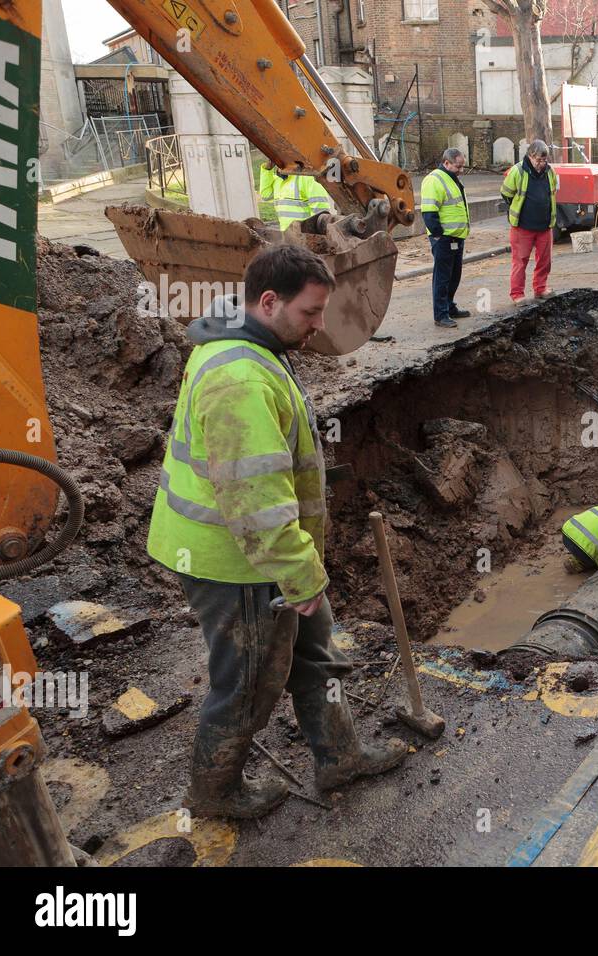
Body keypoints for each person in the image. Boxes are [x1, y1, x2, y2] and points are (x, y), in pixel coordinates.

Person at [147, 245, 407, 819]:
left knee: (317, 657)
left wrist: (303, 569)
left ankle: (340, 756)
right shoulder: (238, 376)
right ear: (269, 301)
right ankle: (215, 793)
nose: (318, 327)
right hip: (237, 563)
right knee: (246, 685)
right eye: (311, 313)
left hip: (277, 557)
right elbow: (257, 506)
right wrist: (299, 576)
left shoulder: (254, 341)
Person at [500, 139, 558, 303]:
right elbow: (506, 193)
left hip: (544, 226)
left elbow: (552, 193)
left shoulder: (550, 172)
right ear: (530, 156)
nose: (541, 163)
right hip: (523, 227)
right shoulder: (518, 171)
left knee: (545, 260)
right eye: (538, 160)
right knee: (520, 261)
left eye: (544, 160)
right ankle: (517, 294)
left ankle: (540, 288)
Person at [420, 148, 472, 328]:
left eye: (462, 166)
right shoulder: (434, 180)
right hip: (444, 239)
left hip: (456, 237)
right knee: (442, 278)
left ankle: (449, 307)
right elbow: (429, 212)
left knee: (453, 276)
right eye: (458, 166)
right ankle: (441, 314)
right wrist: (438, 235)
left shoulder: (452, 178)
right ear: (447, 163)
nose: (461, 170)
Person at [258, 163, 333, 231]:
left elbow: (320, 209)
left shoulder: (307, 177)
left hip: (304, 234)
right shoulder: (278, 180)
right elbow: (266, 195)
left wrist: (312, 234)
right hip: (287, 234)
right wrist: (267, 170)